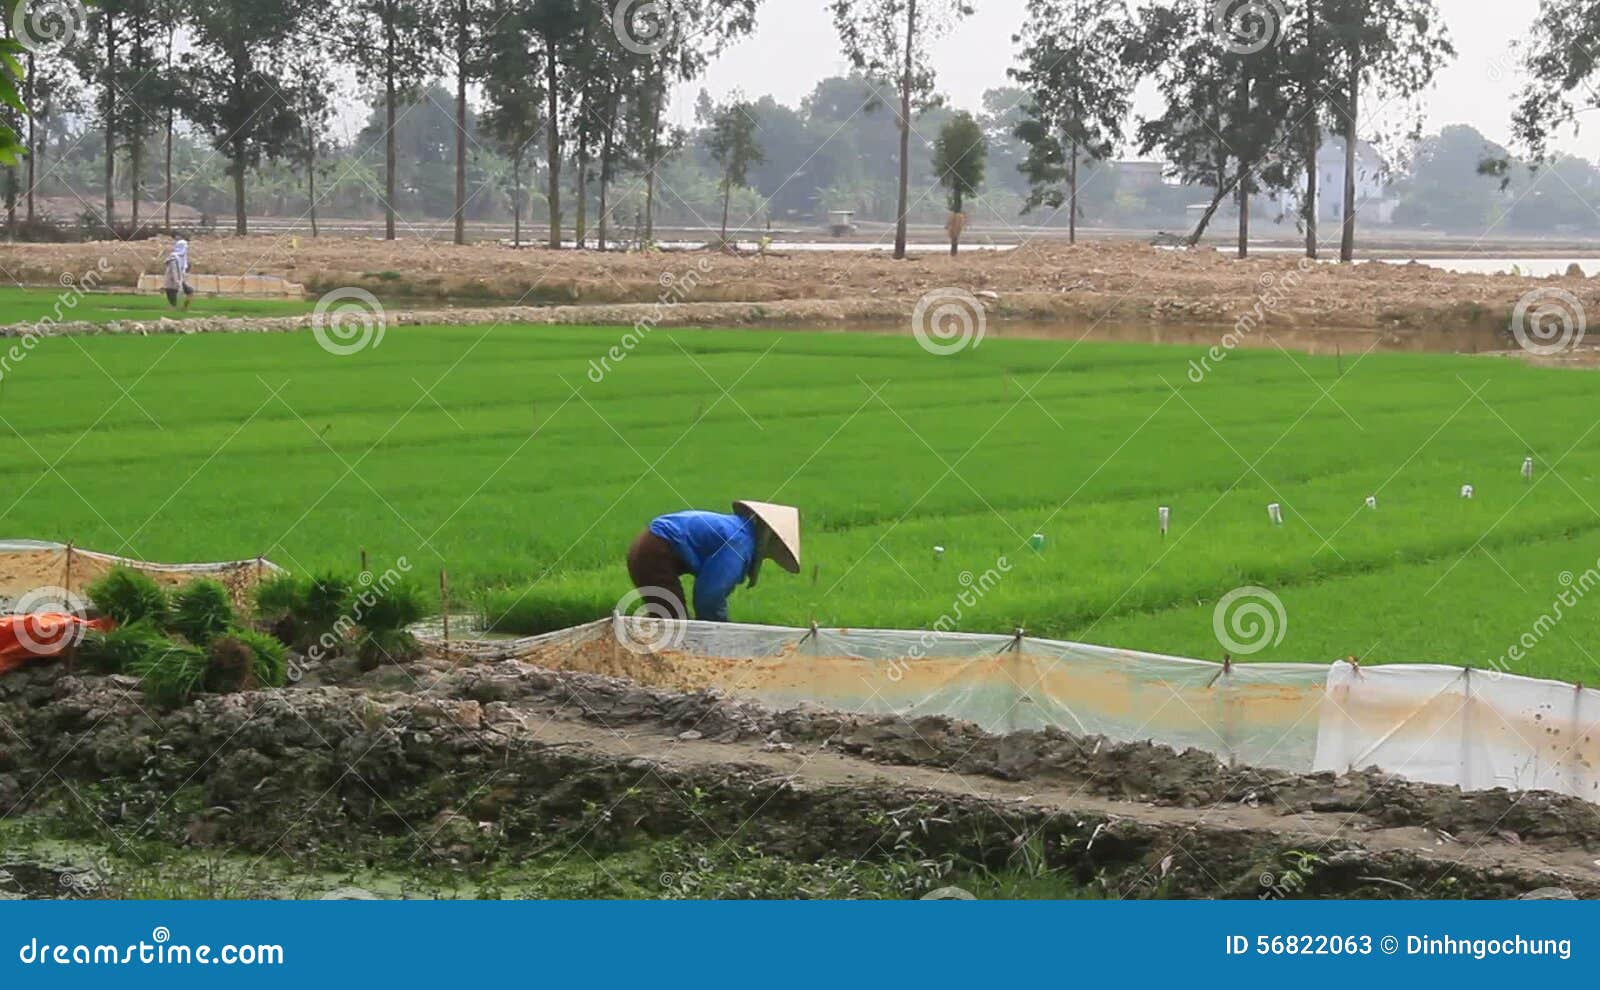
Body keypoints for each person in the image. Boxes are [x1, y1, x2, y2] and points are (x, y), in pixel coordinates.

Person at [626, 500, 800, 622]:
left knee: (668, 620)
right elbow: (709, 596)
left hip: (650, 543)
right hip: (655, 550)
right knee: (673, 624)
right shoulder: (739, 543)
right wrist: (721, 631)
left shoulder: (739, 531)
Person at [162, 238, 194, 309]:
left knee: (190, 292)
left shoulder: (183, 258)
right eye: (185, 247)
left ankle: (184, 308)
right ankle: (166, 318)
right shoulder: (174, 258)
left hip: (180, 281)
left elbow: (182, 271)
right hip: (171, 284)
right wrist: (177, 283)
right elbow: (174, 272)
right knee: (173, 305)